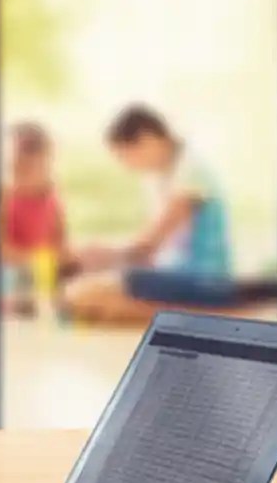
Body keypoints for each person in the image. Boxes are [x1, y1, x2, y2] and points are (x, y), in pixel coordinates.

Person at [64, 104, 235, 324]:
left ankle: (205, 318)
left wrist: (104, 252)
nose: (128, 166)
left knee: (82, 294)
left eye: (126, 157)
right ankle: (187, 316)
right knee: (86, 295)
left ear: (147, 139)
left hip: (205, 279)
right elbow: (153, 251)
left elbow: (148, 244)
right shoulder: (162, 176)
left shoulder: (191, 171)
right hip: (175, 273)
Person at [0, 122, 73, 316]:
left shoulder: (52, 195)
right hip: (12, 271)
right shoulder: (4, 196)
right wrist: (37, 259)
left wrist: (60, 257)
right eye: (18, 165)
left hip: (46, 271)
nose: (21, 171)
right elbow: (0, 249)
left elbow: (62, 242)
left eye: (33, 164)